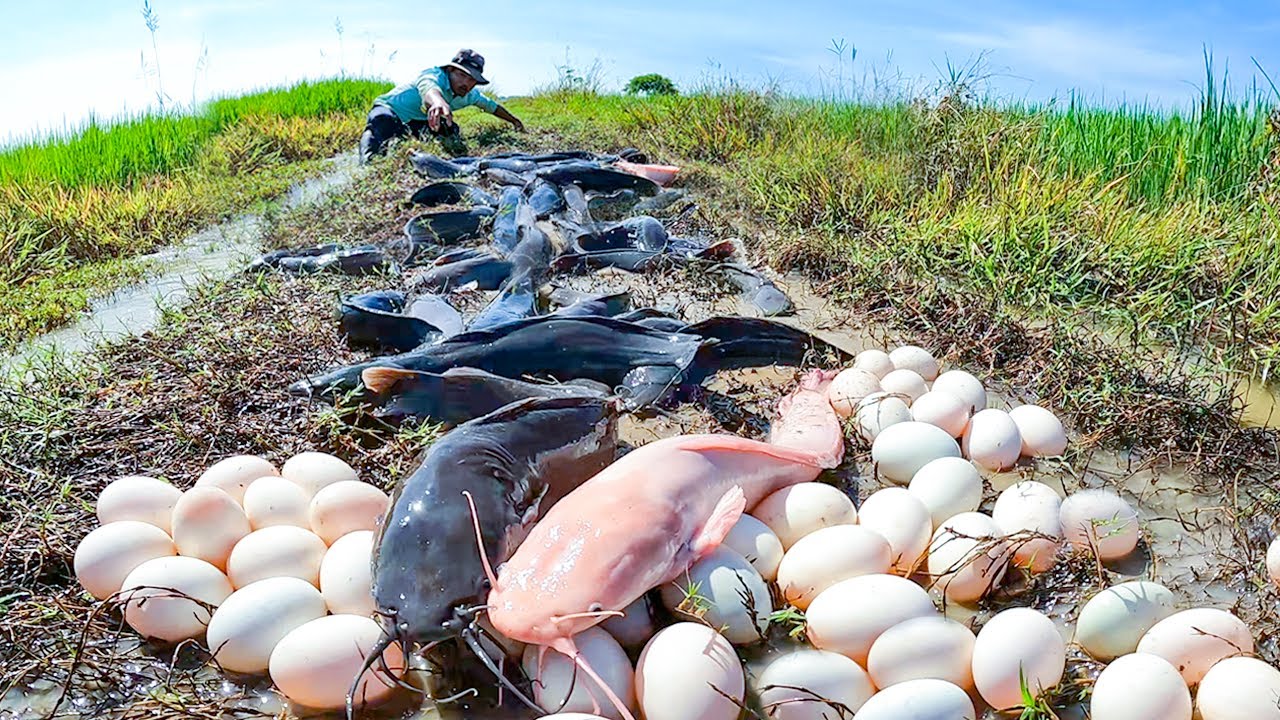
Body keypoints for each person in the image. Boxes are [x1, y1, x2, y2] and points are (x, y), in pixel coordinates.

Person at [359, 48, 525, 163]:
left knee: (450, 129)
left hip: (416, 121)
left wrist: (514, 121)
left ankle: (404, 137)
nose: (466, 83)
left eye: (472, 79)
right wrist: (438, 101)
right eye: (462, 75)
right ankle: (368, 163)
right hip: (390, 110)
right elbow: (428, 88)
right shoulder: (433, 75)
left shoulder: (469, 94)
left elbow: (492, 106)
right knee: (382, 122)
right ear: (450, 70)